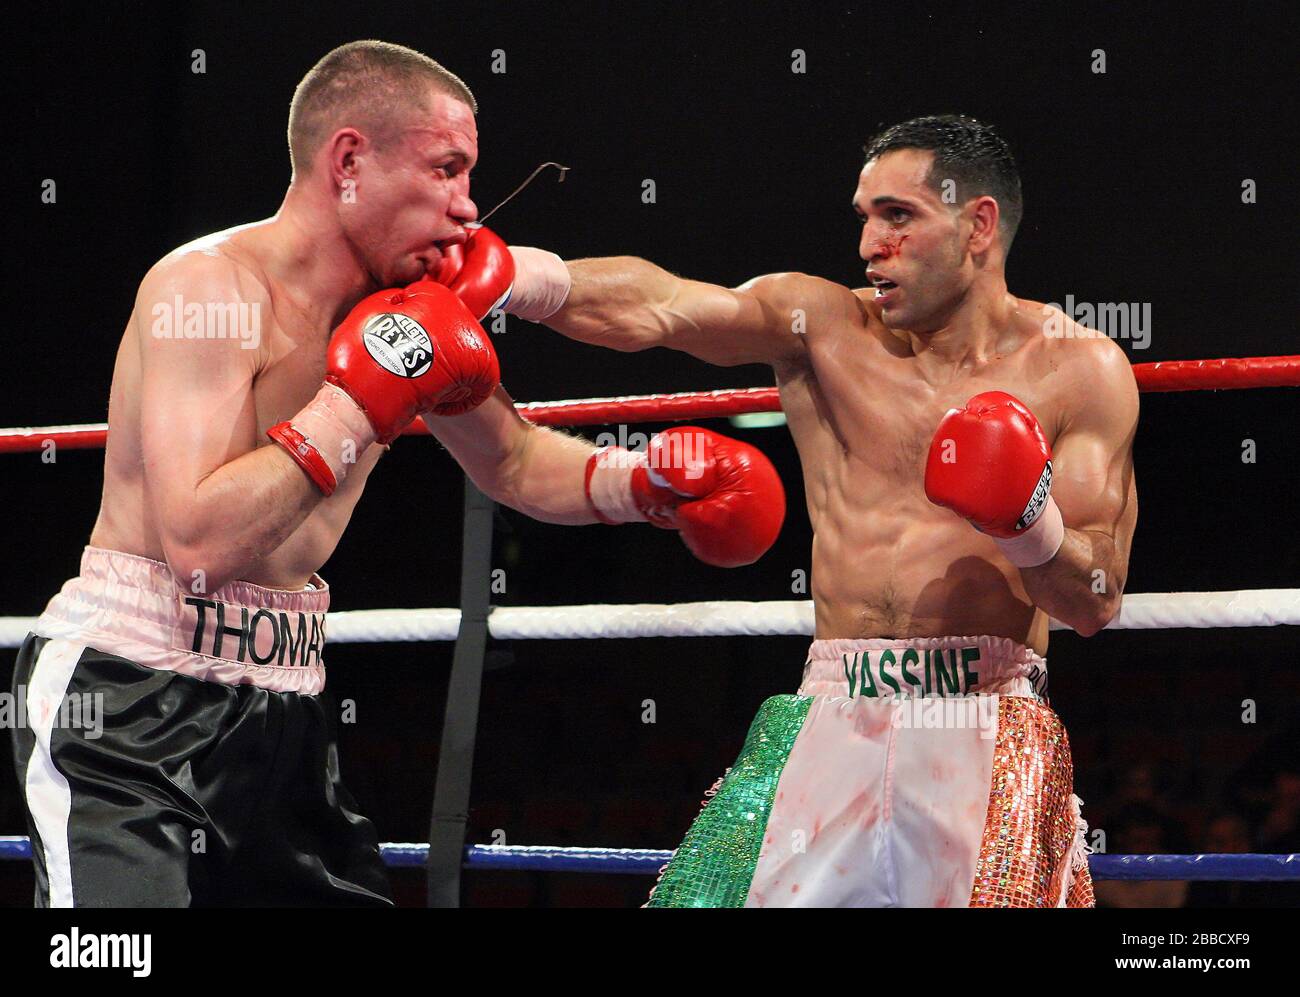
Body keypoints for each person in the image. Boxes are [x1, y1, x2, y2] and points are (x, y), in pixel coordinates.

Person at [11, 40, 785, 907]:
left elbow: (520, 462)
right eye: (447, 170)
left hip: (282, 707)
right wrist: (358, 398)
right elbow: (199, 542)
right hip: (130, 699)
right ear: (349, 160)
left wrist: (644, 484)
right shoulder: (210, 288)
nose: (469, 206)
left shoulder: (406, 315)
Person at [514, 115, 1139, 907]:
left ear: (979, 225)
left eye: (898, 215)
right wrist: (510, 277)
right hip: (829, 713)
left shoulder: (1079, 368)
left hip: (985, 725)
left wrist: (1029, 520)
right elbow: (663, 307)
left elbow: (1093, 599)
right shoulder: (822, 327)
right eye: (866, 218)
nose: (869, 244)